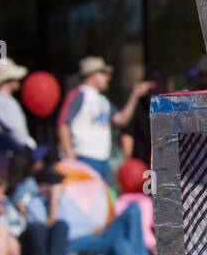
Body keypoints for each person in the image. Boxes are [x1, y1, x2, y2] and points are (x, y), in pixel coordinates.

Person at [57, 57, 153, 185]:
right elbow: (63, 124)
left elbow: (122, 119)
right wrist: (70, 157)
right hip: (84, 156)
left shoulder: (103, 100)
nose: (108, 77)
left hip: (103, 158)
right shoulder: (78, 94)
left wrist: (135, 95)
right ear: (92, 74)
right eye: (103, 73)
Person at [0, 58, 35, 152]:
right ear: (9, 79)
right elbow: (17, 133)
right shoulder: (4, 101)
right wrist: (31, 150)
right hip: (7, 155)